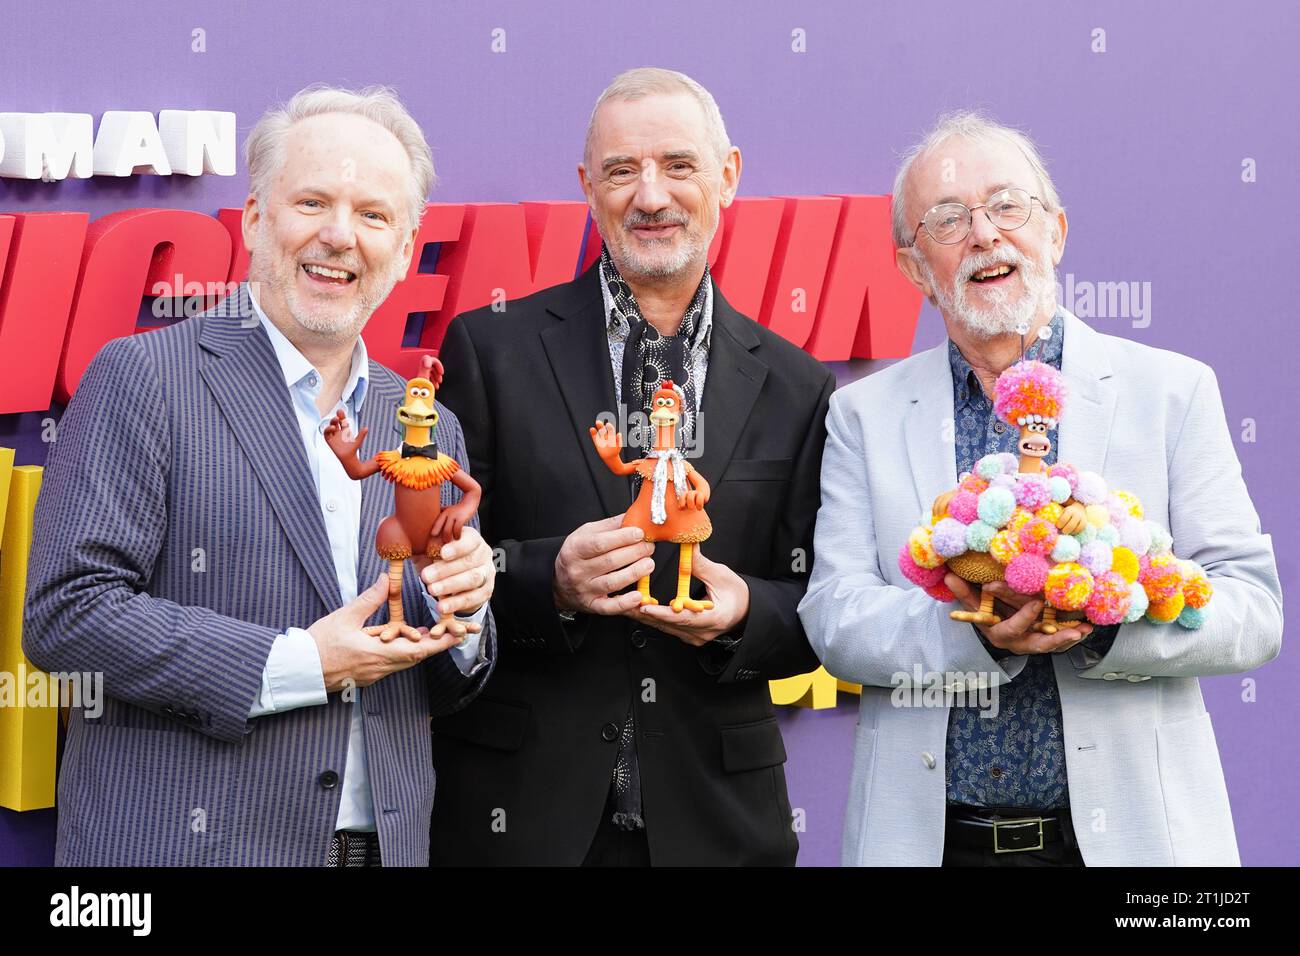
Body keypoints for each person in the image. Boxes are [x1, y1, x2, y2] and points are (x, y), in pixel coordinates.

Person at [23, 85, 497, 867]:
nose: (340, 236)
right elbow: (67, 616)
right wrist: (306, 662)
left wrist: (467, 619)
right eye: (312, 201)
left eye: (374, 216)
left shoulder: (427, 426)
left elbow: (442, 684)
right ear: (252, 219)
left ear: (407, 249)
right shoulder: (145, 379)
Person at [798, 111, 1283, 866]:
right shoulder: (864, 414)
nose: (984, 235)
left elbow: (1252, 610)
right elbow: (835, 617)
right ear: (913, 269)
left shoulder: (1172, 391)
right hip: (931, 844)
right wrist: (977, 634)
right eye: (948, 219)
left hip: (1133, 847)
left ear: (1055, 231)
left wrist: (1112, 616)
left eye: (1006, 206)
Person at [430, 67, 835, 866]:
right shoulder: (490, 350)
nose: (651, 196)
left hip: (720, 827)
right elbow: (439, 566)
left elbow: (824, 605)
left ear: (728, 176)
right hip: (520, 820)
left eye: (678, 165)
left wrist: (744, 609)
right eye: (622, 171)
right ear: (588, 186)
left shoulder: (798, 384)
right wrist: (551, 581)